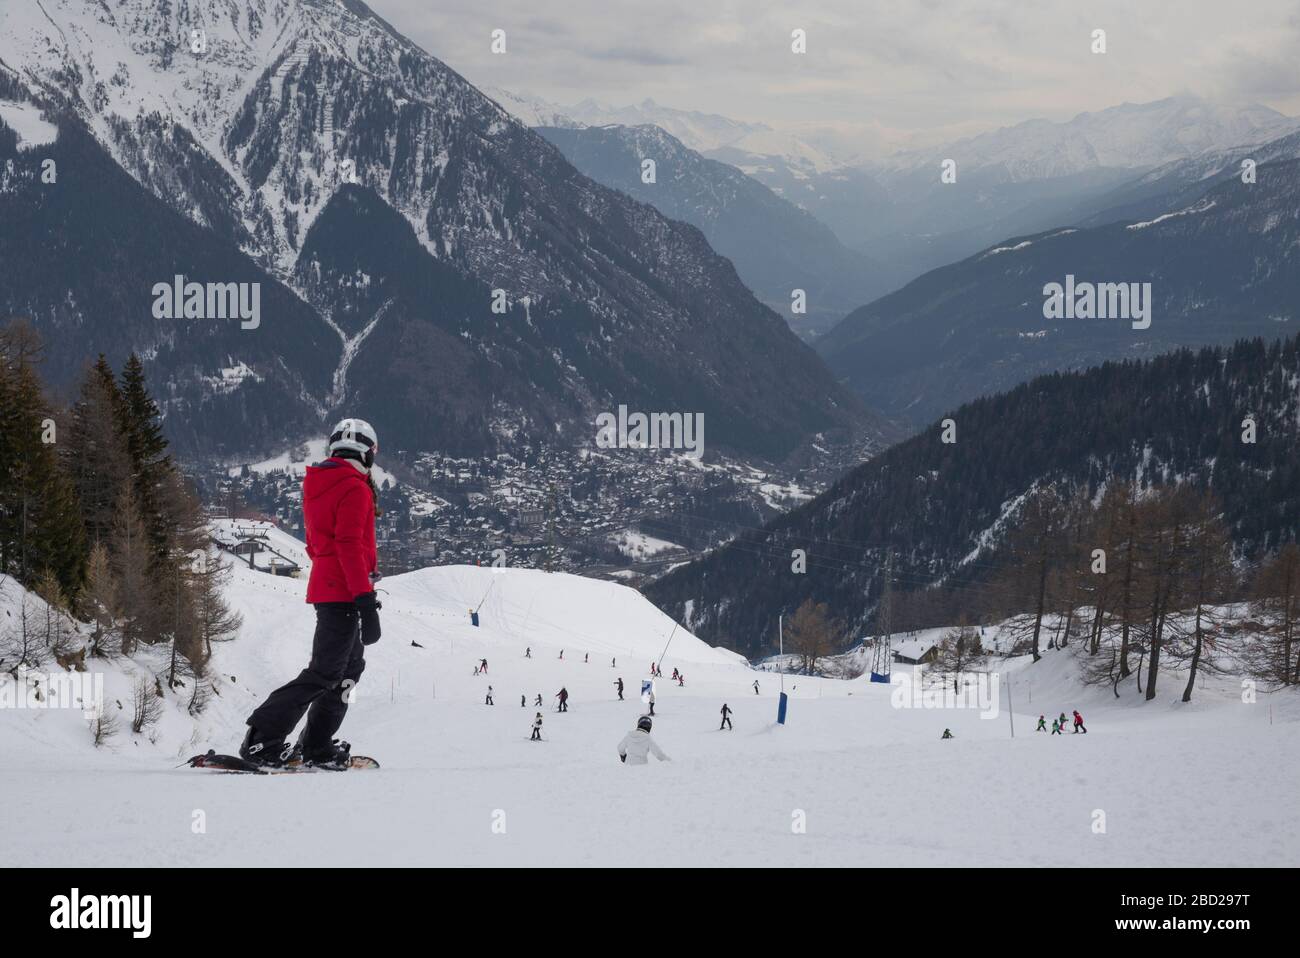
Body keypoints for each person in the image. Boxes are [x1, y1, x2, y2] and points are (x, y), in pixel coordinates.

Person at [241, 418, 381, 770]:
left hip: (334, 587)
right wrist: (364, 599)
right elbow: (349, 545)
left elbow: (319, 544)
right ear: (368, 453)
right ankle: (261, 739)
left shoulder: (321, 482)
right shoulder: (355, 488)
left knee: (349, 670)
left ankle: (317, 744)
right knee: (325, 673)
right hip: (346, 592)